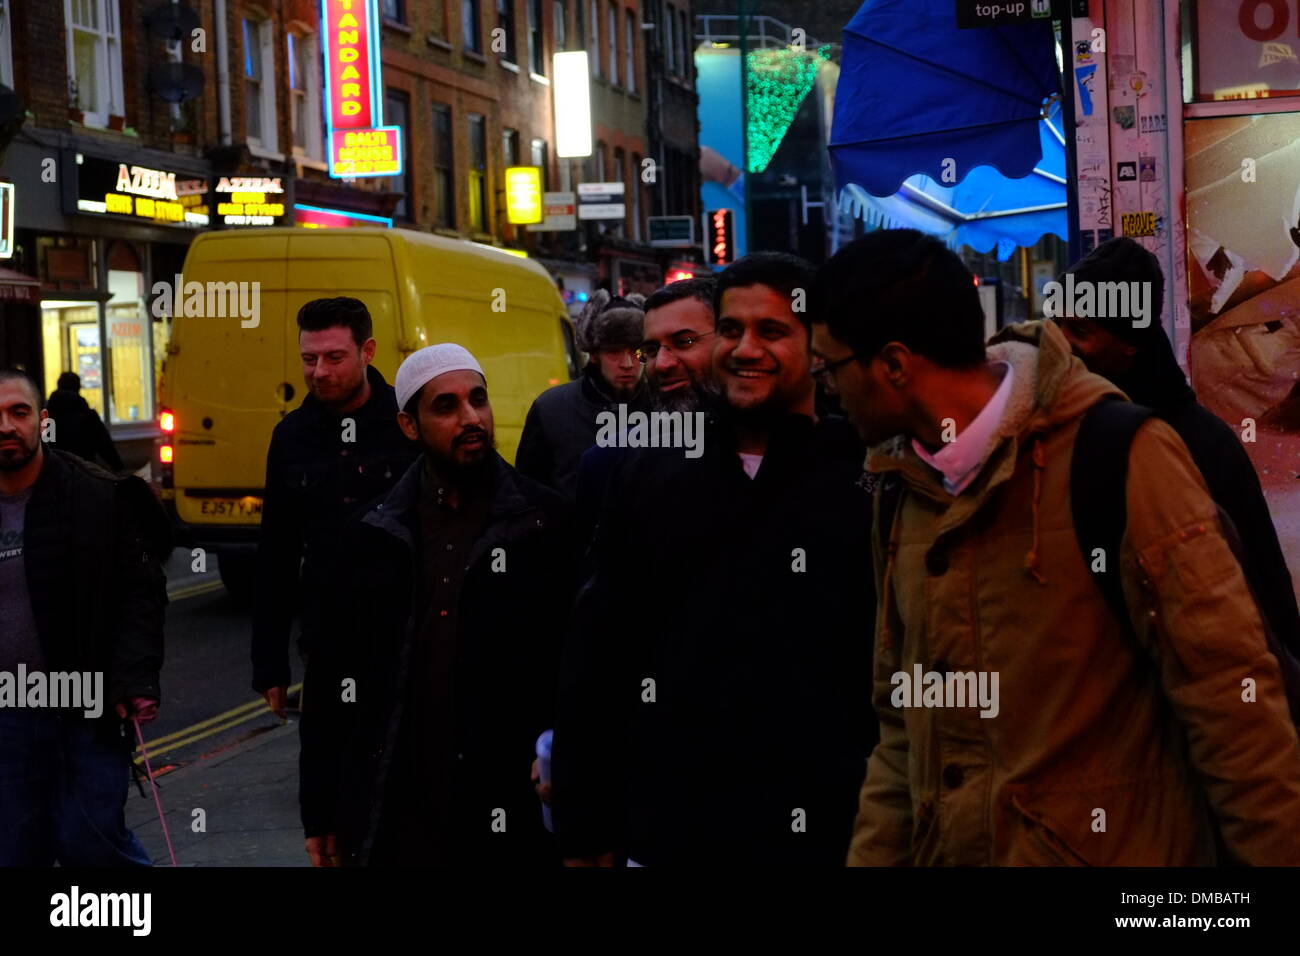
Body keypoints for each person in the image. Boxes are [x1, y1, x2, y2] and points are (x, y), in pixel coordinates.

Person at [810, 229, 1300, 866]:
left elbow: (1232, 704)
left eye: (832, 366)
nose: (825, 388)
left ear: (895, 364)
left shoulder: (1127, 454)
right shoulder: (901, 485)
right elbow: (904, 733)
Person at [553, 253, 876, 867]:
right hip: (678, 827)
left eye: (771, 331)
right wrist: (584, 823)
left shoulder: (866, 471)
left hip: (840, 829)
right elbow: (598, 660)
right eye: (731, 330)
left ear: (817, 346)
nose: (744, 348)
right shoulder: (646, 472)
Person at [299, 344, 578, 867]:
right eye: (446, 407)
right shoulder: (371, 533)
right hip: (403, 806)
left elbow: (578, 664)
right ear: (410, 425)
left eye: (478, 400)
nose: (471, 418)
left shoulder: (547, 521)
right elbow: (332, 676)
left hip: (511, 805)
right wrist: (321, 810)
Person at [1055, 236, 1300, 659]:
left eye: (1079, 330)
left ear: (1130, 341)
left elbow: (1260, 595)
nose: (1060, 345)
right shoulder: (1067, 430)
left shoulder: (1202, 446)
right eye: (1055, 326)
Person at [0, 368, 166, 866]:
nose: (6, 425)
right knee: (14, 848)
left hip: (84, 703)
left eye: (19, 412)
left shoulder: (97, 495)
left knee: (90, 841)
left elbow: (142, 589)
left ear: (43, 422)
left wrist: (135, 676)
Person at [250, 297, 417, 718]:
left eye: (334, 357)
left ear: (368, 352)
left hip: (408, 639)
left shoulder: (407, 424)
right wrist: (269, 664)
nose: (319, 372)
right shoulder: (291, 437)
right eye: (309, 359)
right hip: (328, 643)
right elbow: (276, 552)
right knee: (329, 777)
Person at [573, 278, 721, 537]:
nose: (662, 363)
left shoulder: (798, 448)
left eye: (684, 341)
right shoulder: (610, 462)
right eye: (651, 350)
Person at [515, 291, 648, 500]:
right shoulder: (552, 409)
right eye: (614, 351)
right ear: (594, 354)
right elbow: (527, 491)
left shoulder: (665, 408)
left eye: (637, 351)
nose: (627, 363)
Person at [44, 372, 123, 472]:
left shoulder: (48, 417)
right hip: (83, 472)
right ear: (78, 388)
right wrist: (118, 466)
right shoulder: (87, 416)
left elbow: (44, 445)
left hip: (54, 472)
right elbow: (104, 444)